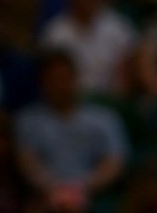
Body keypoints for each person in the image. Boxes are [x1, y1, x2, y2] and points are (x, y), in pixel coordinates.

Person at [14, 49, 130, 198]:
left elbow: (114, 161)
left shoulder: (104, 118)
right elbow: (27, 162)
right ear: (42, 84)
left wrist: (82, 187)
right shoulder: (27, 121)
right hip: (45, 196)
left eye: (65, 78)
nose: (60, 85)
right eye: (53, 79)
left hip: (94, 194)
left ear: (75, 79)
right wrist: (55, 189)